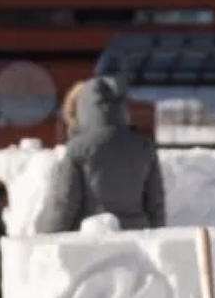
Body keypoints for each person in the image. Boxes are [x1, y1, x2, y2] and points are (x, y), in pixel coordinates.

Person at [39, 76, 166, 233]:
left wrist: (42, 238)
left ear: (81, 110)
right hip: (137, 242)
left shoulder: (78, 149)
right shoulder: (144, 147)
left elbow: (63, 205)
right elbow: (156, 206)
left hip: (91, 243)